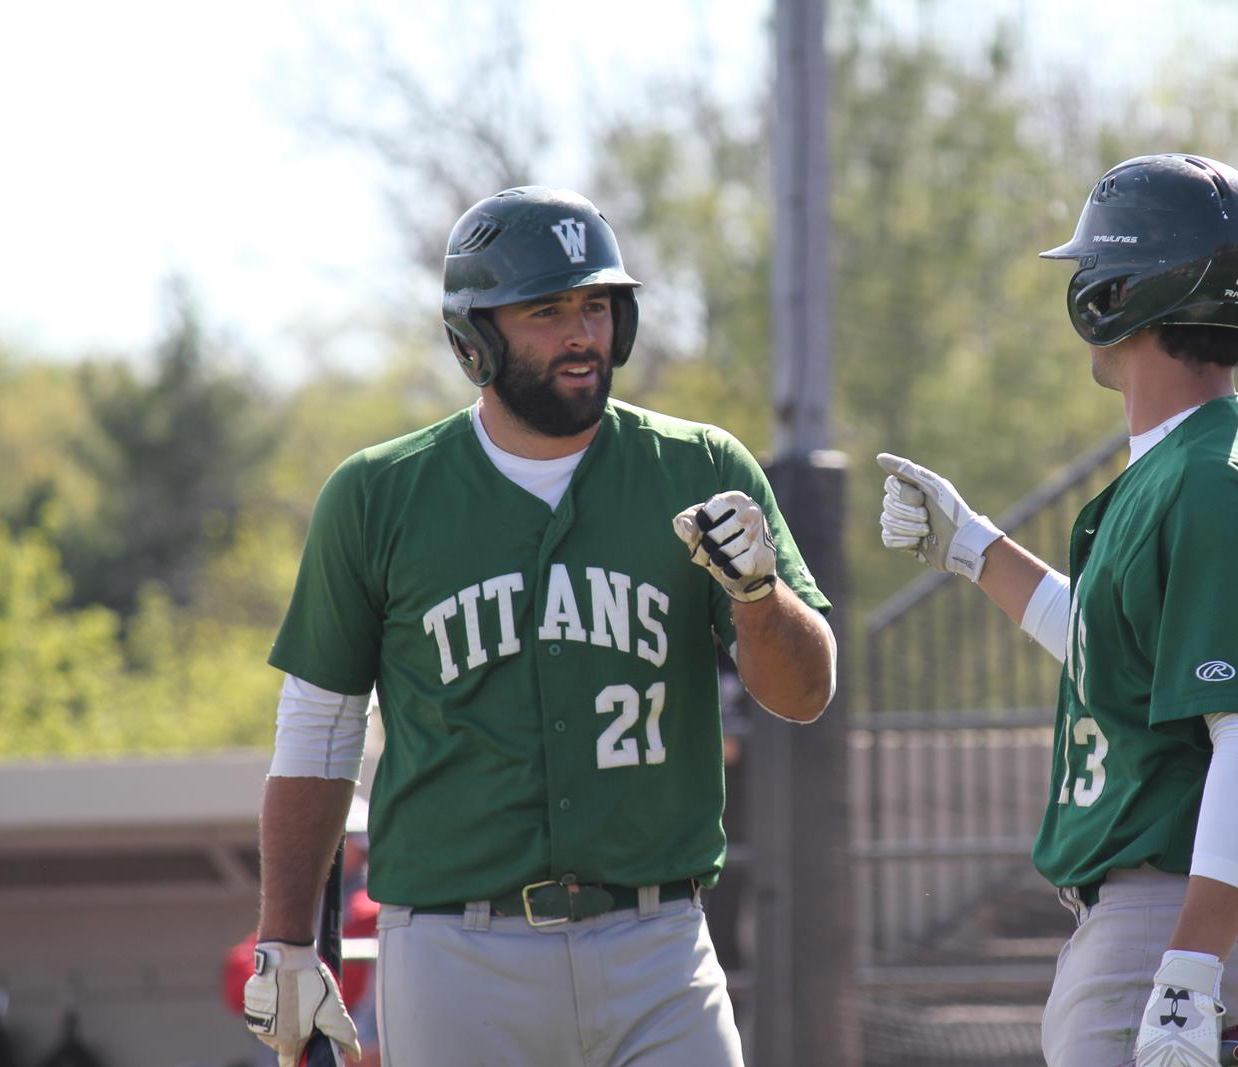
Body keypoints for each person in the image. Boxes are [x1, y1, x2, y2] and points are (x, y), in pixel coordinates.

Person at [242, 185, 836, 1067]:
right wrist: (287, 938)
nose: (581, 335)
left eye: (597, 305)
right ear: (473, 336)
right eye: (547, 310)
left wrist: (759, 596)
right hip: (456, 948)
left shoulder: (701, 468)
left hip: (658, 941)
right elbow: (320, 726)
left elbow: (805, 694)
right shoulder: (377, 494)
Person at [877, 154, 1238, 1067]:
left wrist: (1188, 972)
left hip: (1182, 921)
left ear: (1121, 289)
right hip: (1194, 918)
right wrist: (974, 549)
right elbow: (1112, 653)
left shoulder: (1214, 479)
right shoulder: (1191, 459)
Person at [224, 795, 379, 1066]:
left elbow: (344, 983)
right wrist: (278, 984)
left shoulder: (373, 903)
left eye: (339, 841)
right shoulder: (302, 899)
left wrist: (284, 977)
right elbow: (238, 978)